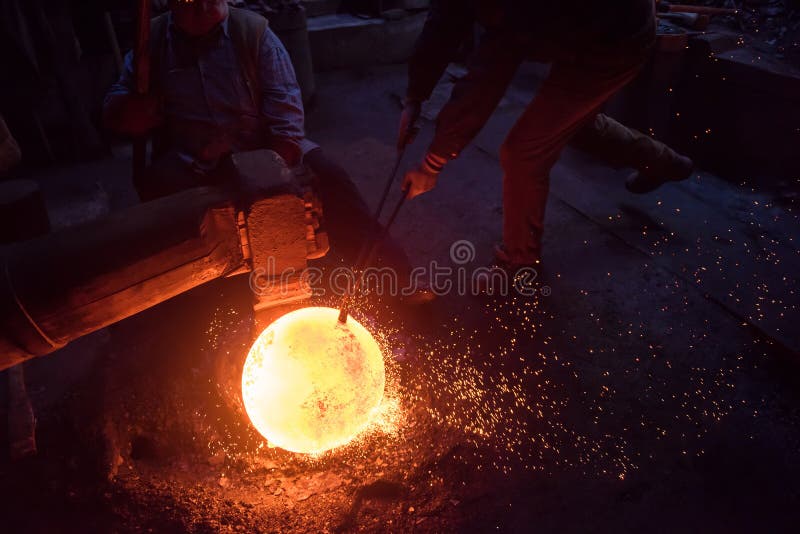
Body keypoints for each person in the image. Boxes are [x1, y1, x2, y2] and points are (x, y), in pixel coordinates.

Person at [104, 0, 424, 299]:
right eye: (188, 2)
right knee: (172, 221)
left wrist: (267, 166)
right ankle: (189, 306)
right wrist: (126, 111)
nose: (200, 8)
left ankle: (395, 276)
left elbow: (286, 122)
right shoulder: (155, 42)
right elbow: (115, 105)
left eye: (208, 0)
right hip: (190, 158)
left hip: (261, 147)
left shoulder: (254, 35)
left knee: (332, 182)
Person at [400, 0, 692, 269]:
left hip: (616, 39)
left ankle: (519, 262)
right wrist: (415, 95)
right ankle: (667, 163)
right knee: (568, 126)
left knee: (523, 152)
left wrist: (433, 163)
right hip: (580, 26)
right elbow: (444, 22)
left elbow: (487, 76)